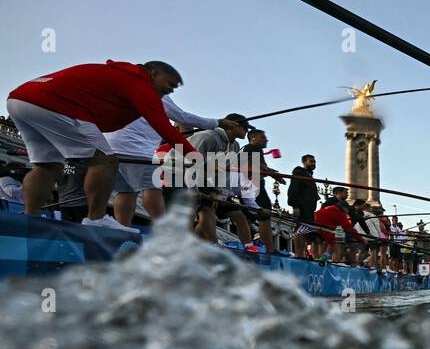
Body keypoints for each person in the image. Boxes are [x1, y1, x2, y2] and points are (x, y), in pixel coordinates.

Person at [6, 60, 197, 229]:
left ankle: (31, 218)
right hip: (55, 105)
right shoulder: (140, 84)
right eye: (170, 84)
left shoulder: (119, 76)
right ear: (154, 73)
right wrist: (195, 157)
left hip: (20, 100)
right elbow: (165, 128)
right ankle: (96, 220)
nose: (171, 90)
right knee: (105, 161)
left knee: (47, 166)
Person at [105, 95, 219, 227]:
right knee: (152, 188)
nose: (171, 89)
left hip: (112, 148)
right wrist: (217, 123)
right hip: (140, 153)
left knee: (126, 190)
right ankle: (163, 230)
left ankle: (122, 228)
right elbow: (181, 117)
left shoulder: (128, 92)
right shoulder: (155, 94)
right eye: (170, 84)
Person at [188, 114, 252, 243]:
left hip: (204, 181)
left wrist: (217, 191)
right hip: (178, 173)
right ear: (233, 125)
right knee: (202, 207)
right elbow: (188, 161)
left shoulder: (235, 146)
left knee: (212, 206)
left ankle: (203, 242)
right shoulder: (208, 136)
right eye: (245, 128)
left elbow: (224, 171)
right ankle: (211, 242)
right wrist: (193, 189)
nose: (247, 131)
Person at [238, 128, 283, 252]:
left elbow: (256, 165)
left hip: (244, 185)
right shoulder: (254, 148)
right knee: (264, 215)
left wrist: (271, 172)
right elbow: (253, 166)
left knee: (247, 216)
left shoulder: (246, 149)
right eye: (263, 137)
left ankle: (247, 246)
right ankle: (270, 250)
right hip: (254, 185)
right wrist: (272, 173)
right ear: (253, 138)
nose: (266, 140)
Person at [314, 185, 365, 262]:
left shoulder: (332, 208)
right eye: (346, 193)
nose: (348, 212)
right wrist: (361, 240)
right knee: (334, 243)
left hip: (322, 226)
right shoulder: (338, 212)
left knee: (332, 243)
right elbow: (348, 228)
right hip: (325, 228)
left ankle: (324, 259)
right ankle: (329, 260)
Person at [287, 154, 319, 257]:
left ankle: (302, 253)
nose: (313, 163)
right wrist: (294, 206)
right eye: (311, 161)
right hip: (302, 206)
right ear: (304, 162)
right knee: (300, 230)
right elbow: (293, 189)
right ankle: (298, 253)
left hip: (309, 208)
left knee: (305, 230)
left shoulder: (309, 175)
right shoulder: (299, 172)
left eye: (314, 162)